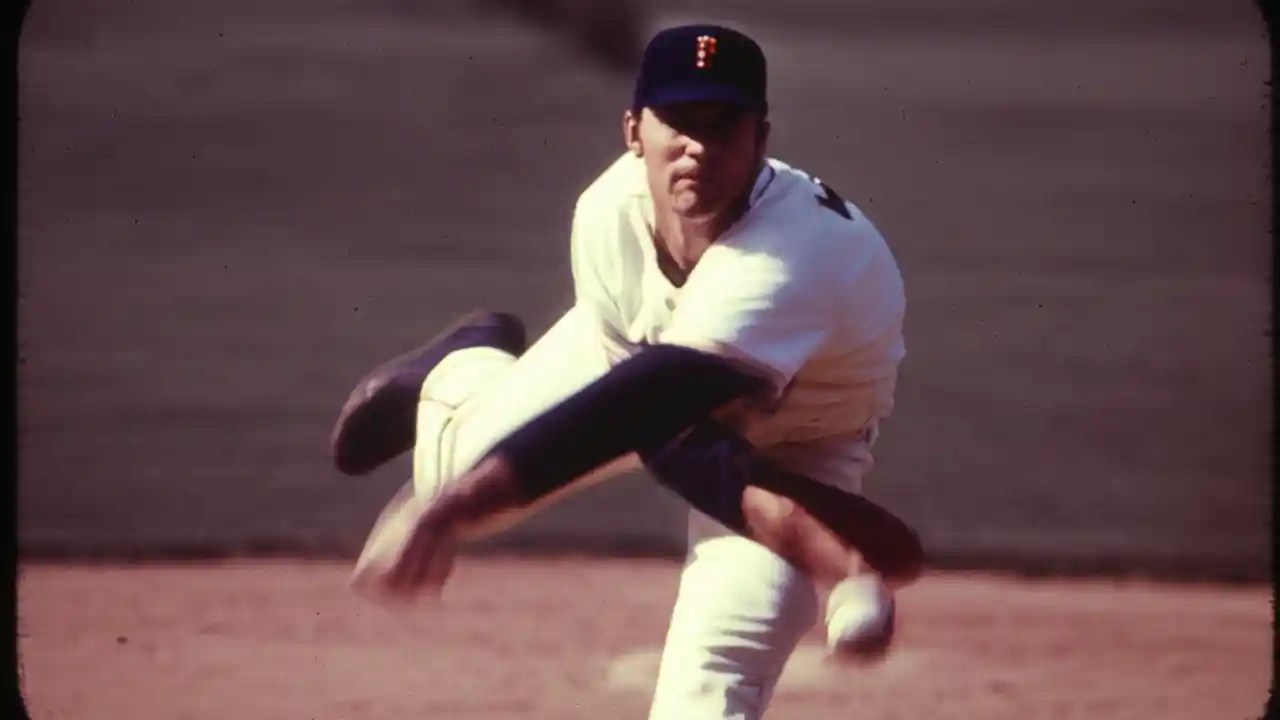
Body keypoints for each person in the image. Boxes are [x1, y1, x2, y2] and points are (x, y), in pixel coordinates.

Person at [330, 24, 921, 719]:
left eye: (722, 124)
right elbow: (644, 424)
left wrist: (457, 508)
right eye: (677, 120)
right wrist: (836, 560)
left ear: (760, 139)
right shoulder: (608, 217)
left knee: (720, 662)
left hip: (803, 438)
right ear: (634, 130)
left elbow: (655, 415)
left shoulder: (789, 262)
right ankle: (464, 364)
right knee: (451, 479)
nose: (696, 145)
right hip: (635, 368)